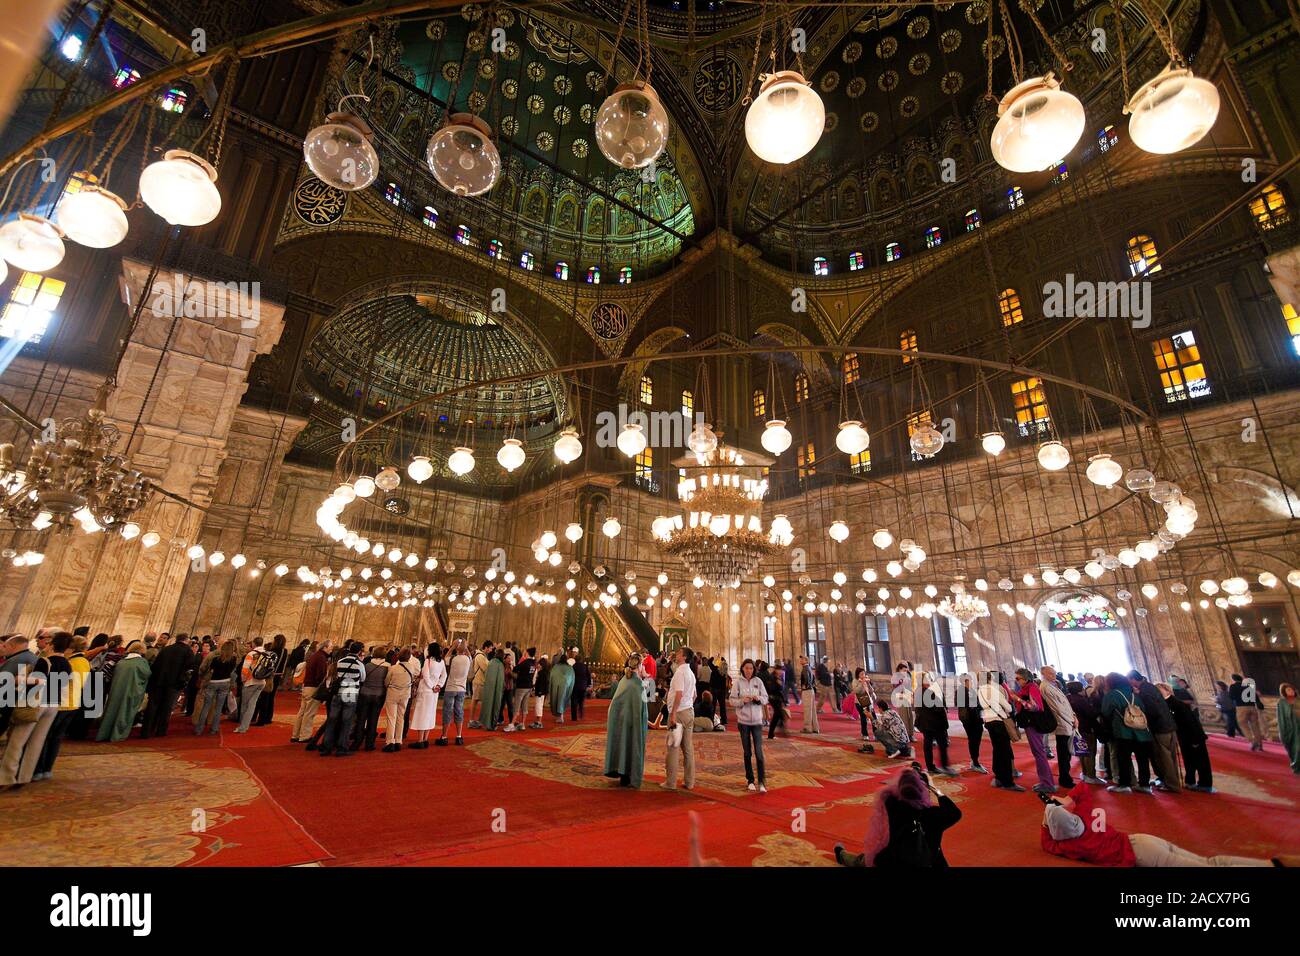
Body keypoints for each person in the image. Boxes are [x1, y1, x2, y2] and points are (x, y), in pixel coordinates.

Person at [1040, 783, 1272, 867]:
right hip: (1141, 840)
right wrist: (1062, 803)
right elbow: (1083, 788)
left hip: (1142, 854)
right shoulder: (1087, 814)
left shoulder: (1070, 846)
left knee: (1209, 866)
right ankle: (1269, 864)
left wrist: (1050, 817)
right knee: (1210, 862)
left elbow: (1047, 842)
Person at [834, 767, 961, 867]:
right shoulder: (933, 815)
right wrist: (933, 787)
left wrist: (908, 779)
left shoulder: (893, 806)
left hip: (894, 860)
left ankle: (841, 854)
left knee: (867, 859)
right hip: (929, 861)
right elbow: (955, 813)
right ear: (924, 791)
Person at [0, 634, 54, 787]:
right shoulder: (38, 659)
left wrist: (20, 681)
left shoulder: (23, 659)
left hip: (27, 704)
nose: (39, 642)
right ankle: (22, 776)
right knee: (32, 743)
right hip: (44, 704)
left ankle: (7, 777)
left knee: (16, 743)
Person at [33, 632, 79, 780]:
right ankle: (47, 769)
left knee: (40, 736)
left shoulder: (45, 661)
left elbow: (34, 683)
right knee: (55, 738)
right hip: (57, 702)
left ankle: (37, 769)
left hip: (42, 701)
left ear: (52, 645)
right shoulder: (67, 664)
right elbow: (66, 683)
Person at [1100, 671, 1153, 793]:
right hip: (1141, 731)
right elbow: (1143, 709)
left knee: (1123, 759)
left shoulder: (1112, 694)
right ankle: (1144, 784)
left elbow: (1105, 712)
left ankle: (1125, 784)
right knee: (1142, 759)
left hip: (1123, 731)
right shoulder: (1133, 693)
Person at [1129, 671, 1180, 792]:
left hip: (1160, 728)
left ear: (1133, 679)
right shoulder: (1150, 686)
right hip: (1169, 725)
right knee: (1170, 757)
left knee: (1164, 758)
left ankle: (1171, 785)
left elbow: (1153, 711)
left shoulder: (1145, 691)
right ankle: (1171, 781)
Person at [1157, 682, 1213, 791]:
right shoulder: (1167, 703)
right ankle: (1190, 781)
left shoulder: (1177, 703)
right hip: (1184, 736)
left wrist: (1195, 739)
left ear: (1167, 690)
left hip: (1193, 735)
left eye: (1160, 690)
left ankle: (1205, 784)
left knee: (1201, 761)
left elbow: (1191, 722)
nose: (1158, 693)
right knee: (1189, 760)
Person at [1009, 668, 1056, 794]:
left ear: (1025, 678)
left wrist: (1017, 699)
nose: (1016, 681)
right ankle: (1045, 781)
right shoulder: (1026, 688)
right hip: (1030, 724)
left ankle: (1048, 783)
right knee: (1038, 752)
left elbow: (1036, 707)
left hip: (1034, 724)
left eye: (1018, 678)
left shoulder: (1032, 688)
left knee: (1039, 753)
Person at [604, 653, 648, 787]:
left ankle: (622, 773)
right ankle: (629, 775)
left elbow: (615, 704)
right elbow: (643, 711)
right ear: (639, 666)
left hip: (619, 720)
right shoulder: (639, 685)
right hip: (632, 722)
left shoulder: (624, 680)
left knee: (622, 744)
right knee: (631, 744)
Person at [141, 633, 194, 738]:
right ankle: (161, 731)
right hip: (174, 684)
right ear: (186, 640)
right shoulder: (188, 651)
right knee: (166, 708)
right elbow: (189, 670)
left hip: (158, 682)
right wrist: (183, 682)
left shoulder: (166, 649)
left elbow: (155, 665)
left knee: (152, 706)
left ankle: (146, 731)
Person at [96, 641, 151, 742]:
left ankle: (104, 733)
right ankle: (117, 735)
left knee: (111, 712)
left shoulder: (121, 661)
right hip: (131, 691)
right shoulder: (142, 663)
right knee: (125, 712)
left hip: (116, 691)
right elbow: (147, 675)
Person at [318, 642, 365, 756]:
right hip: (351, 692)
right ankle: (342, 747)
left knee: (332, 720)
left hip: (338, 692)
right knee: (346, 721)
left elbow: (336, 676)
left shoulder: (340, 662)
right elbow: (363, 678)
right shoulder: (359, 663)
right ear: (359, 652)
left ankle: (326, 747)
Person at [730, 659, 769, 792]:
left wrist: (758, 699)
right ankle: (750, 780)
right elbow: (732, 700)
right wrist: (742, 701)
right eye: (746, 668)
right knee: (747, 752)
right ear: (742, 669)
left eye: (751, 668)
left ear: (754, 669)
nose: (748, 670)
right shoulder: (738, 683)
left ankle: (762, 782)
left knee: (759, 753)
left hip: (757, 721)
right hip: (744, 722)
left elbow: (765, 698)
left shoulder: (758, 682)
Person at [978, 671, 1022, 790]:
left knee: (997, 750)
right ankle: (1008, 782)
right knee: (1005, 751)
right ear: (990, 678)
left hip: (989, 721)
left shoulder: (980, 689)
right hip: (999, 721)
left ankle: (998, 777)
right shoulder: (993, 689)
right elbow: (1007, 706)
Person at [662, 645, 697, 791]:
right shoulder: (690, 673)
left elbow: (678, 694)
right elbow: (694, 695)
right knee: (688, 749)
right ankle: (689, 782)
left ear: (684, 657)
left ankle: (670, 782)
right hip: (689, 712)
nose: (676, 654)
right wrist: (687, 706)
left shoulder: (680, 673)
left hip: (679, 714)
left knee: (673, 747)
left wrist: (673, 714)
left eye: (679, 653)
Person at [1039, 665, 1078, 789]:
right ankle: (1064, 778)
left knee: (1066, 752)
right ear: (1044, 674)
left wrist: (1074, 716)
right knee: (1063, 752)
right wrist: (1071, 720)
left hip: (1068, 720)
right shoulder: (1045, 687)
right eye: (1050, 673)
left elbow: (1065, 703)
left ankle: (1066, 776)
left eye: (1054, 673)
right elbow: (1057, 708)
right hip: (1062, 722)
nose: (1054, 675)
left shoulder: (1053, 684)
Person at [914, 673, 958, 776]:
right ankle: (944, 766)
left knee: (928, 745)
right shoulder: (930, 692)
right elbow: (938, 708)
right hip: (935, 724)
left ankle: (930, 766)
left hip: (925, 724)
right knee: (942, 745)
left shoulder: (918, 692)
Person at [193, 639, 238, 735]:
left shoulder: (215, 659)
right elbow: (232, 672)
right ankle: (214, 729)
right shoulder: (233, 660)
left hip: (213, 682)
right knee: (218, 708)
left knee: (206, 706)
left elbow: (210, 671)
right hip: (225, 683)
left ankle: (199, 729)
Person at [290, 639, 332, 742]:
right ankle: (305, 736)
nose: (331, 650)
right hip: (313, 687)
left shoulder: (314, 655)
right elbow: (320, 675)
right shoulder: (321, 658)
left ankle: (295, 735)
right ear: (325, 647)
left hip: (307, 686)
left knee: (302, 712)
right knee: (309, 713)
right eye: (330, 647)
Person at [1066, 680, 1103, 784]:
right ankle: (1091, 775)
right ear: (1079, 689)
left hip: (1076, 728)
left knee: (1082, 752)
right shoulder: (1080, 700)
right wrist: (1098, 709)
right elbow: (1091, 713)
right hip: (1086, 728)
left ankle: (1085, 774)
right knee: (1090, 752)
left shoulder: (1068, 698)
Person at [234, 639, 275, 734]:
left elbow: (244, 669)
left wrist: (243, 680)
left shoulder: (251, 654)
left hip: (250, 682)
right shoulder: (267, 654)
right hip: (261, 682)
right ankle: (245, 726)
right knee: (252, 705)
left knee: (244, 706)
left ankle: (242, 727)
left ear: (253, 644)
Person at [409, 643, 445, 748]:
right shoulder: (441, 662)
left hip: (426, 690)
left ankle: (420, 740)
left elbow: (425, 676)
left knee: (422, 714)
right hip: (434, 693)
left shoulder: (428, 661)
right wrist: (439, 685)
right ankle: (425, 739)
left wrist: (432, 686)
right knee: (430, 714)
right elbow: (444, 675)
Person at [382, 649, 418, 751]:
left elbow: (386, 682)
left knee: (391, 718)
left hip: (393, 694)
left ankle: (390, 742)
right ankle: (398, 740)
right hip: (405, 695)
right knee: (400, 717)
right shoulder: (412, 668)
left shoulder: (393, 668)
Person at [355, 647, 389, 751]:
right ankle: (369, 743)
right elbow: (387, 682)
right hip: (378, 695)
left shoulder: (367, 665)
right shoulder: (387, 667)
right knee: (373, 719)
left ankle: (357, 742)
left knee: (361, 719)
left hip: (365, 694)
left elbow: (362, 679)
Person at [437, 640, 471, 746]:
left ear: (456, 648)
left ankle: (444, 736)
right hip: (462, 689)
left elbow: (445, 659)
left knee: (447, 712)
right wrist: (466, 648)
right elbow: (469, 655)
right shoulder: (468, 659)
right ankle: (459, 736)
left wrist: (452, 647)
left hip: (451, 688)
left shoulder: (452, 658)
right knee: (459, 711)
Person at [252, 634, 288, 726]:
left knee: (264, 697)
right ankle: (268, 717)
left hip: (269, 676)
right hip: (278, 675)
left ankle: (261, 720)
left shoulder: (272, 651)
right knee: (271, 697)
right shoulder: (285, 651)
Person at [955, 672, 986, 773]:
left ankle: (975, 760)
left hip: (974, 718)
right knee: (973, 739)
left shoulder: (970, 690)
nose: (972, 682)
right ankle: (975, 762)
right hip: (970, 719)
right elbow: (967, 706)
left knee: (975, 739)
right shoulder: (961, 691)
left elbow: (976, 704)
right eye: (970, 680)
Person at [1232, 675, 1266, 751]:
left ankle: (1253, 741)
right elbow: (1256, 697)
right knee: (1255, 727)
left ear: (1233, 680)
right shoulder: (1249, 687)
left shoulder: (1233, 686)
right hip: (1252, 707)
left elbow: (1231, 697)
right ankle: (1260, 745)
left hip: (1241, 708)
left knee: (1242, 724)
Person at [467, 640, 493, 729]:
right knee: (475, 701)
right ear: (485, 648)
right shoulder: (480, 656)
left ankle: (475, 720)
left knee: (476, 701)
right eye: (490, 648)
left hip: (480, 681)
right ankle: (471, 720)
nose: (491, 650)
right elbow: (486, 669)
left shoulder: (482, 656)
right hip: (479, 682)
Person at [511, 647, 536, 732]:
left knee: (517, 705)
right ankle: (522, 724)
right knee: (525, 706)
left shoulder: (525, 662)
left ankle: (512, 724)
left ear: (527, 653)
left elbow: (515, 669)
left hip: (521, 686)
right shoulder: (533, 663)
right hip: (529, 687)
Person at [1276, 683, 1299, 773]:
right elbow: (1281, 718)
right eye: (1288, 690)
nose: (1291, 691)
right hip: (1291, 730)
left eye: (1292, 689)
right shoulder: (1282, 703)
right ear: (1284, 692)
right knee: (1296, 749)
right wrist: (1283, 732)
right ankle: (1296, 766)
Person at [480, 649, 505, 731]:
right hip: (496, 689)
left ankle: (485, 723)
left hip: (488, 688)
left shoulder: (490, 662)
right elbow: (500, 680)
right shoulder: (500, 665)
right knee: (495, 705)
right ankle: (492, 725)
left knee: (487, 705)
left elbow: (486, 674)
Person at [891, 661, 915, 740]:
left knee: (910, 716)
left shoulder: (907, 677)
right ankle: (905, 735)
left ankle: (911, 734)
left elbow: (909, 687)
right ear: (899, 670)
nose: (905, 672)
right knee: (904, 716)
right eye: (904, 670)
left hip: (907, 697)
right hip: (900, 698)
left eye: (906, 671)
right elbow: (895, 688)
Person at [852, 668, 877, 745]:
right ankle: (865, 734)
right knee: (863, 718)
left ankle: (876, 734)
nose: (863, 675)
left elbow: (872, 691)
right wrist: (861, 683)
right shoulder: (855, 681)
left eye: (864, 673)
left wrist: (869, 684)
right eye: (861, 674)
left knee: (873, 717)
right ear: (858, 674)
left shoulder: (866, 679)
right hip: (860, 702)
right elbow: (856, 691)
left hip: (869, 701)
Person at [549, 651, 575, 723]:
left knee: (557, 700)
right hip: (565, 687)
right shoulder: (570, 668)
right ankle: (561, 716)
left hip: (556, 687)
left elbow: (552, 676)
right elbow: (572, 678)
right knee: (562, 700)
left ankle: (559, 716)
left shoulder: (556, 667)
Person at [798, 656, 819, 734]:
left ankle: (807, 728)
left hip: (807, 691)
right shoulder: (809, 668)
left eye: (802, 659)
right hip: (811, 690)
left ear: (806, 660)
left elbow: (807, 678)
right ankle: (815, 728)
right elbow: (813, 679)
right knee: (812, 710)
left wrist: (805, 685)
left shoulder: (805, 668)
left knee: (807, 709)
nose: (800, 660)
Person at [570, 650, 590, 722]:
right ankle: (581, 714)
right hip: (583, 687)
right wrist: (588, 685)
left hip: (575, 687)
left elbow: (570, 676)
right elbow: (588, 676)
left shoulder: (573, 667)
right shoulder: (585, 666)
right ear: (581, 659)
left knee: (574, 702)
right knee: (581, 701)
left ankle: (574, 717)